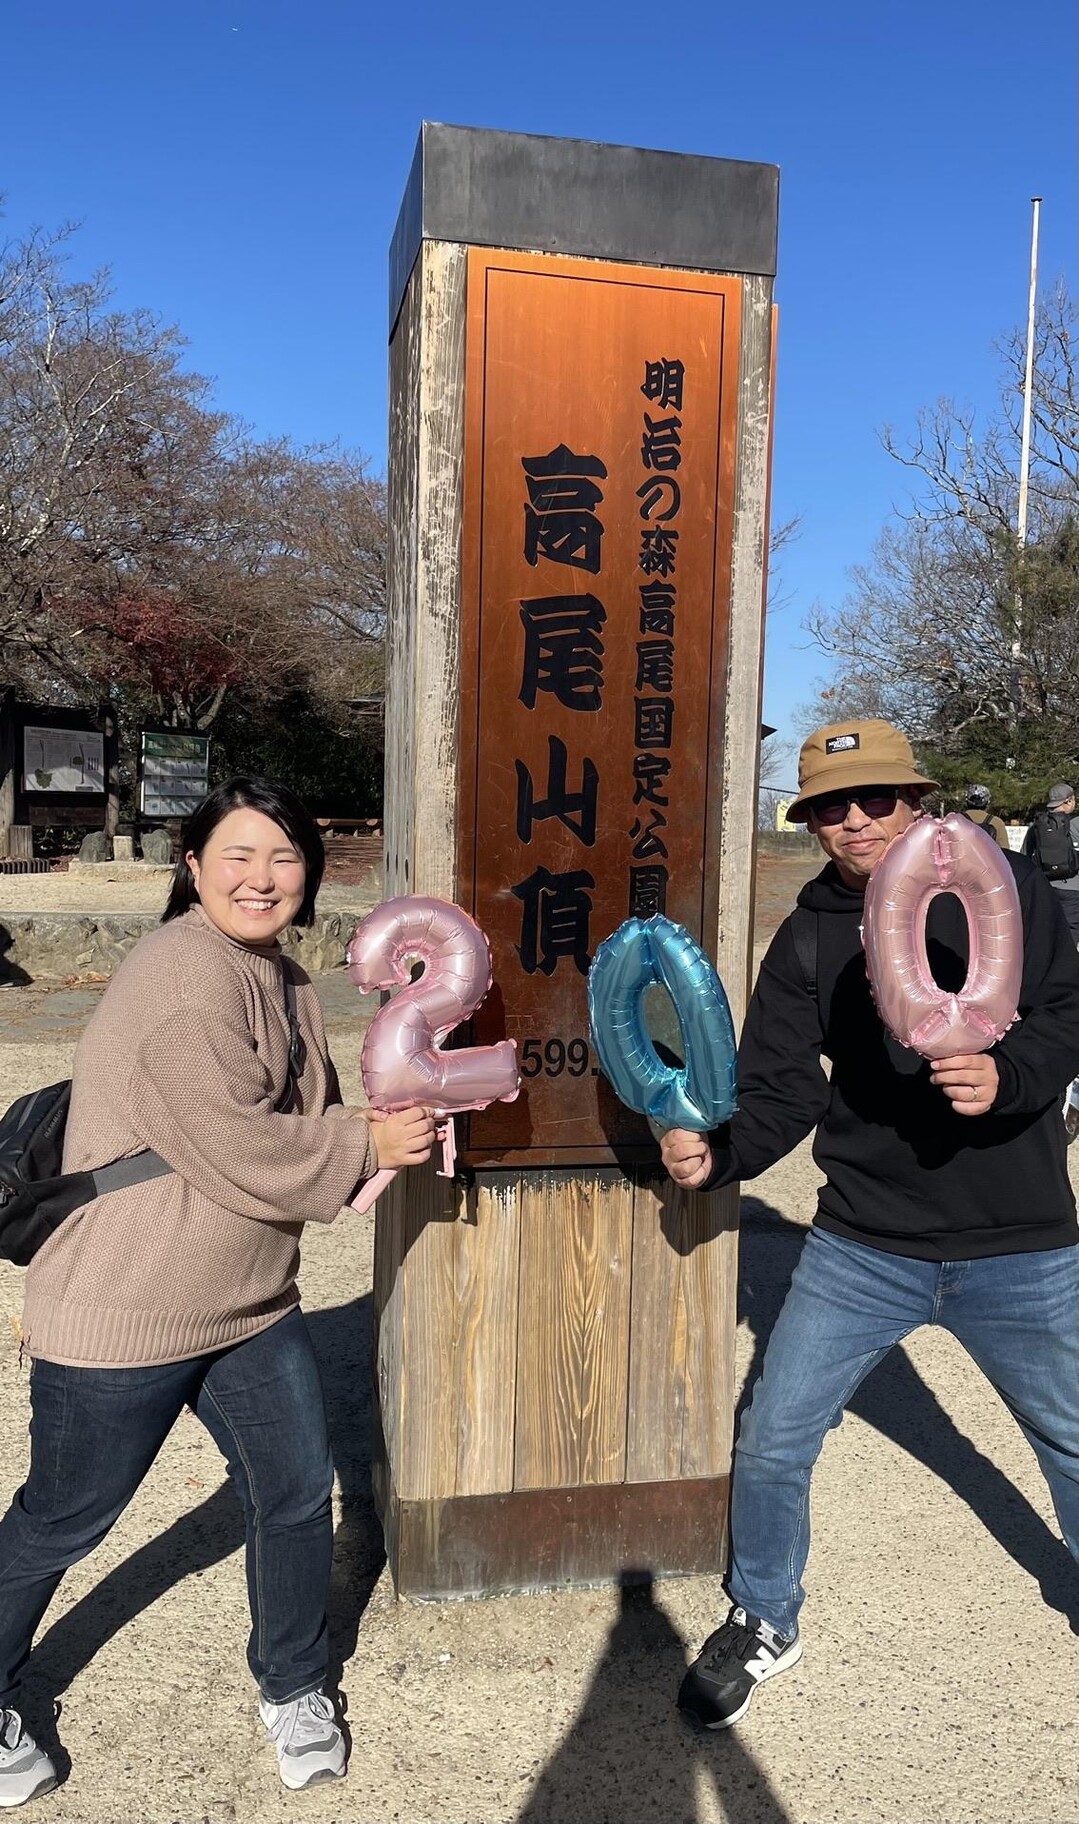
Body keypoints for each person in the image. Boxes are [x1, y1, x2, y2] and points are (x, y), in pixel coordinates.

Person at [0, 778, 435, 1806]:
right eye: (236, 855)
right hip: (129, 1301)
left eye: (283, 858)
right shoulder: (184, 975)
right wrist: (362, 1142)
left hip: (249, 1301)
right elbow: (235, 1140)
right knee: (65, 1517)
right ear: (192, 868)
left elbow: (309, 1113)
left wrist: (394, 1114)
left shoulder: (279, 976)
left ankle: (292, 1682)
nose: (262, 877)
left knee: (290, 1496)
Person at [661, 719, 1079, 1731]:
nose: (852, 821)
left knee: (1072, 1440)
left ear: (917, 799)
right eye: (828, 807)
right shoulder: (807, 934)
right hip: (861, 1244)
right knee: (771, 1442)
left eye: (874, 798)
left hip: (1018, 1242)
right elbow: (776, 1088)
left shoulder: (1010, 893)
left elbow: (1067, 1014)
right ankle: (762, 1615)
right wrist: (720, 1154)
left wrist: (1008, 1076)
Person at [1023, 782, 1079, 940]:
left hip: (1045, 887)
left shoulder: (1037, 825)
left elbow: (1026, 857)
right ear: (1068, 801)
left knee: (1046, 933)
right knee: (1070, 934)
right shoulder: (1076, 824)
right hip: (1073, 889)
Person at [960, 782, 1009, 849]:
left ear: (967, 801)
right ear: (987, 802)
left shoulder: (956, 820)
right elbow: (1005, 851)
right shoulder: (996, 822)